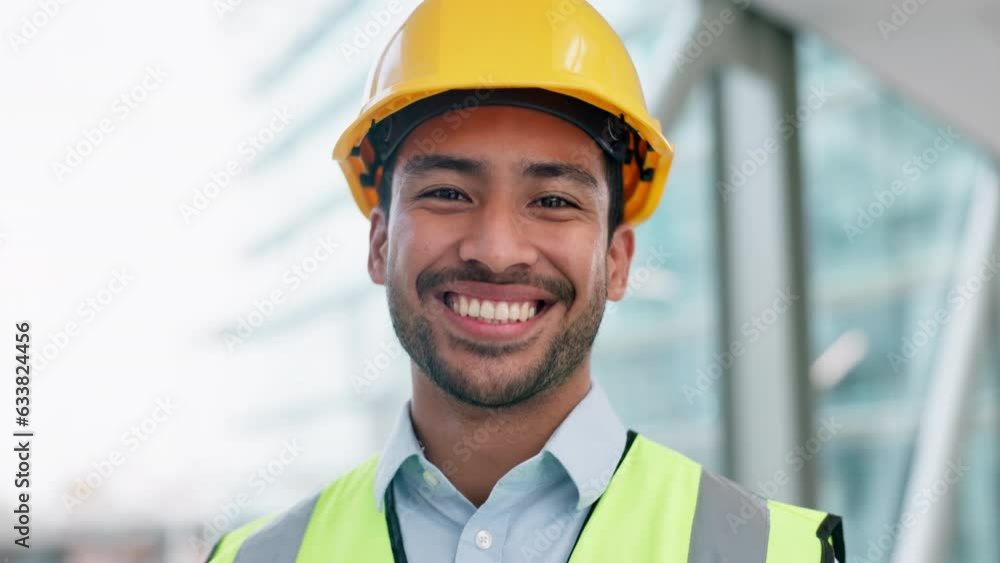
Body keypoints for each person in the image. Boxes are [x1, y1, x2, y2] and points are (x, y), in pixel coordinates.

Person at [206, 0, 846, 561]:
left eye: (554, 202)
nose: (495, 250)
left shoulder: (768, 553)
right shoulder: (257, 557)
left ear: (617, 261)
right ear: (378, 244)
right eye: (449, 192)